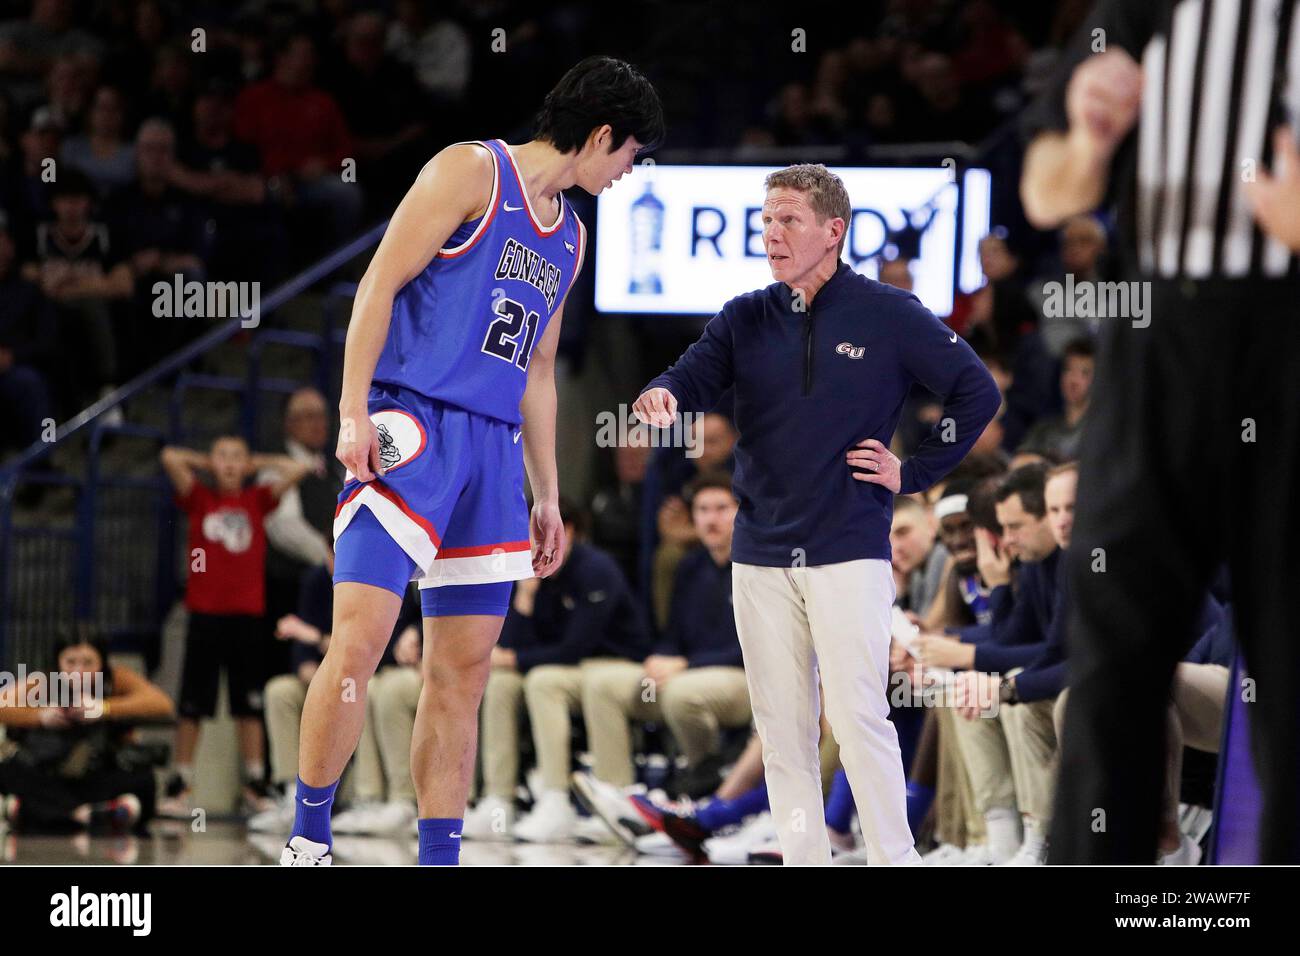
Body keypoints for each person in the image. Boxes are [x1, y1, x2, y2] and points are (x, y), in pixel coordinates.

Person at [282, 56, 663, 866]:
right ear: (601, 135)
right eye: (631, 153)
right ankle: (308, 837)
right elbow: (378, 284)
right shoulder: (469, 169)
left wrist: (549, 492)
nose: (631, 171)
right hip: (411, 424)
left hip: (492, 453)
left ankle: (439, 859)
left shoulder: (572, 235)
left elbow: (537, 372)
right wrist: (352, 411)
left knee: (463, 675)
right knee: (359, 641)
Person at [634, 163, 1000, 865]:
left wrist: (914, 471)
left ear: (834, 231)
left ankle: (896, 857)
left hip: (849, 544)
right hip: (760, 550)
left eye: (789, 220)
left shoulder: (888, 314)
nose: (772, 233)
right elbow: (688, 375)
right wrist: (662, 394)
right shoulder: (746, 315)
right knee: (782, 729)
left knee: (859, 715)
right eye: (766, 220)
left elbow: (975, 392)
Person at [1021, 1, 1300, 863]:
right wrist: (1090, 142)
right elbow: (1045, 192)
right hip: (1157, 338)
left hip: (1287, 336)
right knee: (1114, 643)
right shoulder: (1136, 11)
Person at [158, 436, 311, 817]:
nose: (228, 464)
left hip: (246, 617)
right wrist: (208, 462)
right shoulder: (200, 498)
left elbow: (297, 468)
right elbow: (170, 455)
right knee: (193, 704)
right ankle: (181, 785)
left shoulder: (257, 500)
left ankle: (256, 786)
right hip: (205, 616)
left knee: (248, 705)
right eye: (221, 456)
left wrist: (255, 460)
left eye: (236, 458)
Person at [0, 628, 173, 833]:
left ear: (102, 663)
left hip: (98, 775)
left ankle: (42, 814)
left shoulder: (115, 680)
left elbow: (162, 704)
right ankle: (89, 815)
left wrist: (105, 708)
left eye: (88, 663)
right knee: (9, 771)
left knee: (145, 781)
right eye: (70, 662)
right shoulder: (43, 683)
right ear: (58, 662)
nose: (78, 671)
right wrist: (39, 717)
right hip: (51, 776)